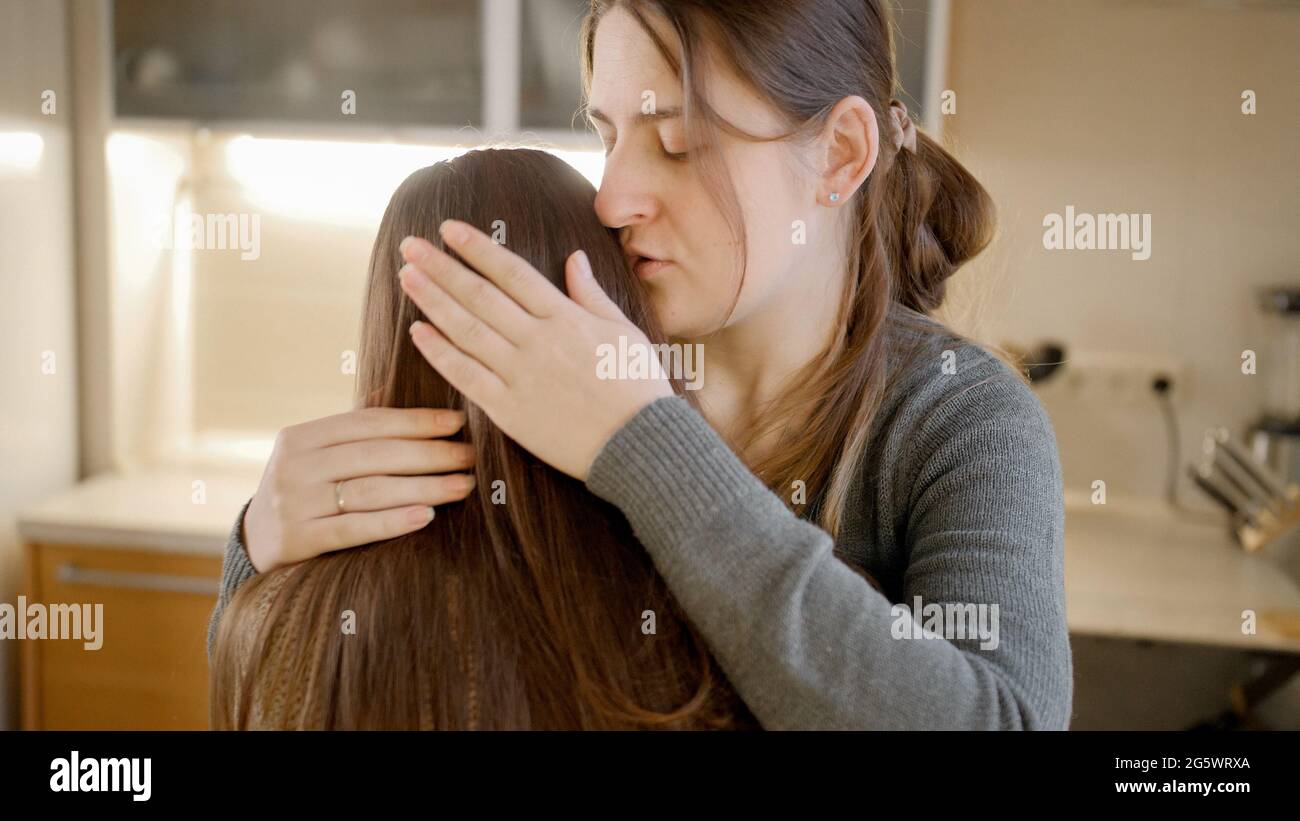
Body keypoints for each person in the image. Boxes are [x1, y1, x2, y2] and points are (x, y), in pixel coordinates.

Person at [210, 0, 1073, 730]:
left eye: (678, 141)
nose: (613, 198)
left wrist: (642, 443)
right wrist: (261, 557)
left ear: (842, 154)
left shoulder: (959, 421)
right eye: (608, 133)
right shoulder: (558, 354)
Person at [210, 148, 760, 730]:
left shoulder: (289, 617)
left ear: (386, 324)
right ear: (613, 308)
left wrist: (254, 584)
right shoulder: (720, 599)